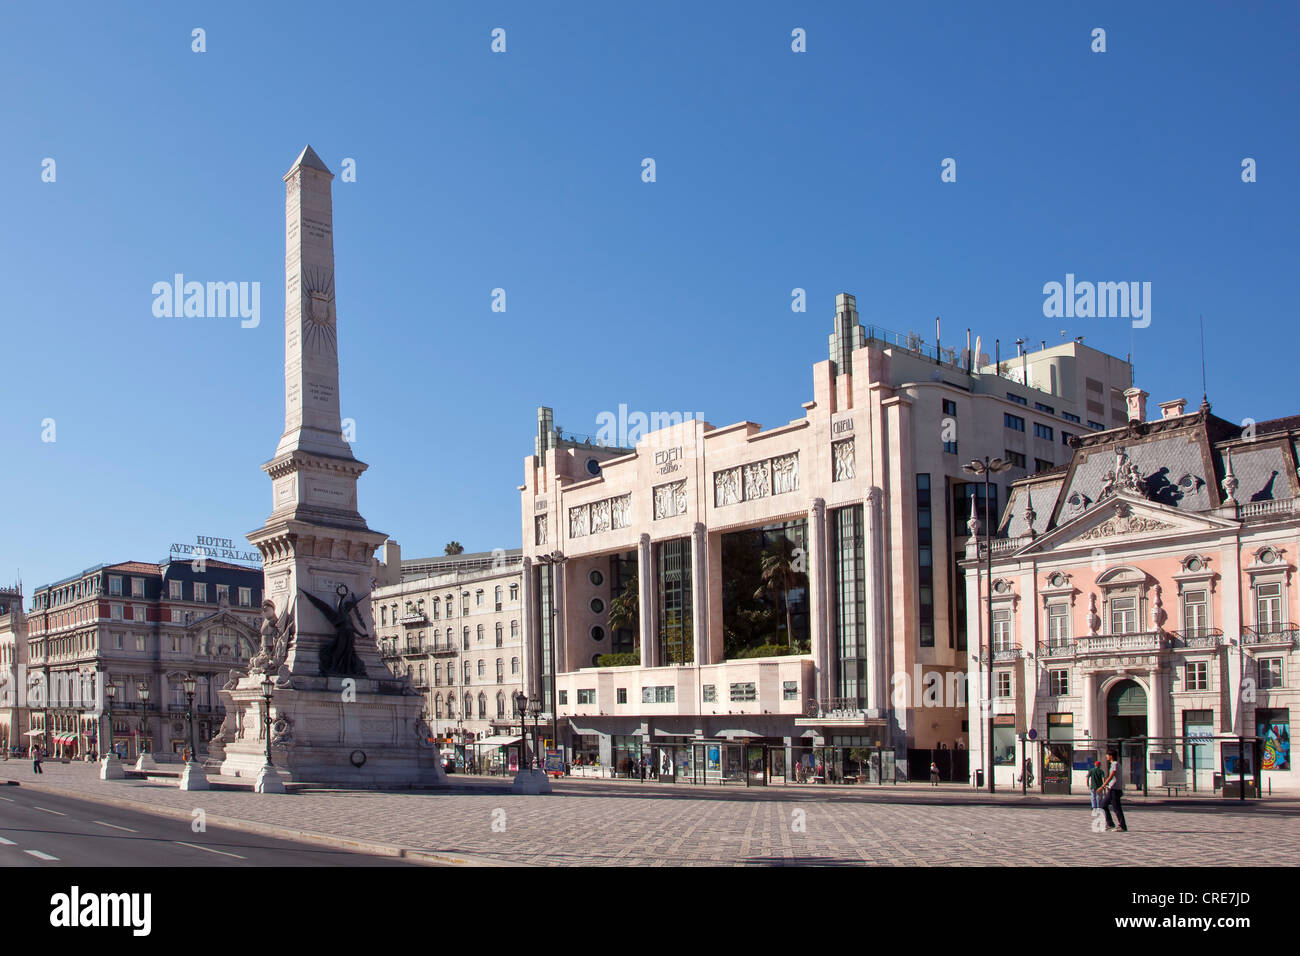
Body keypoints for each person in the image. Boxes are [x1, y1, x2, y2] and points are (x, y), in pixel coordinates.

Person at [1100, 752, 1128, 832]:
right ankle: (1110, 824)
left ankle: (1122, 826)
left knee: (1117, 808)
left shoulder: (1115, 764)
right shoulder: (1115, 764)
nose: (1106, 757)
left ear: (1111, 756)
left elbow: (1112, 775)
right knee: (1103, 805)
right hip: (1112, 789)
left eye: (1107, 755)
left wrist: (1103, 785)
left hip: (1114, 789)